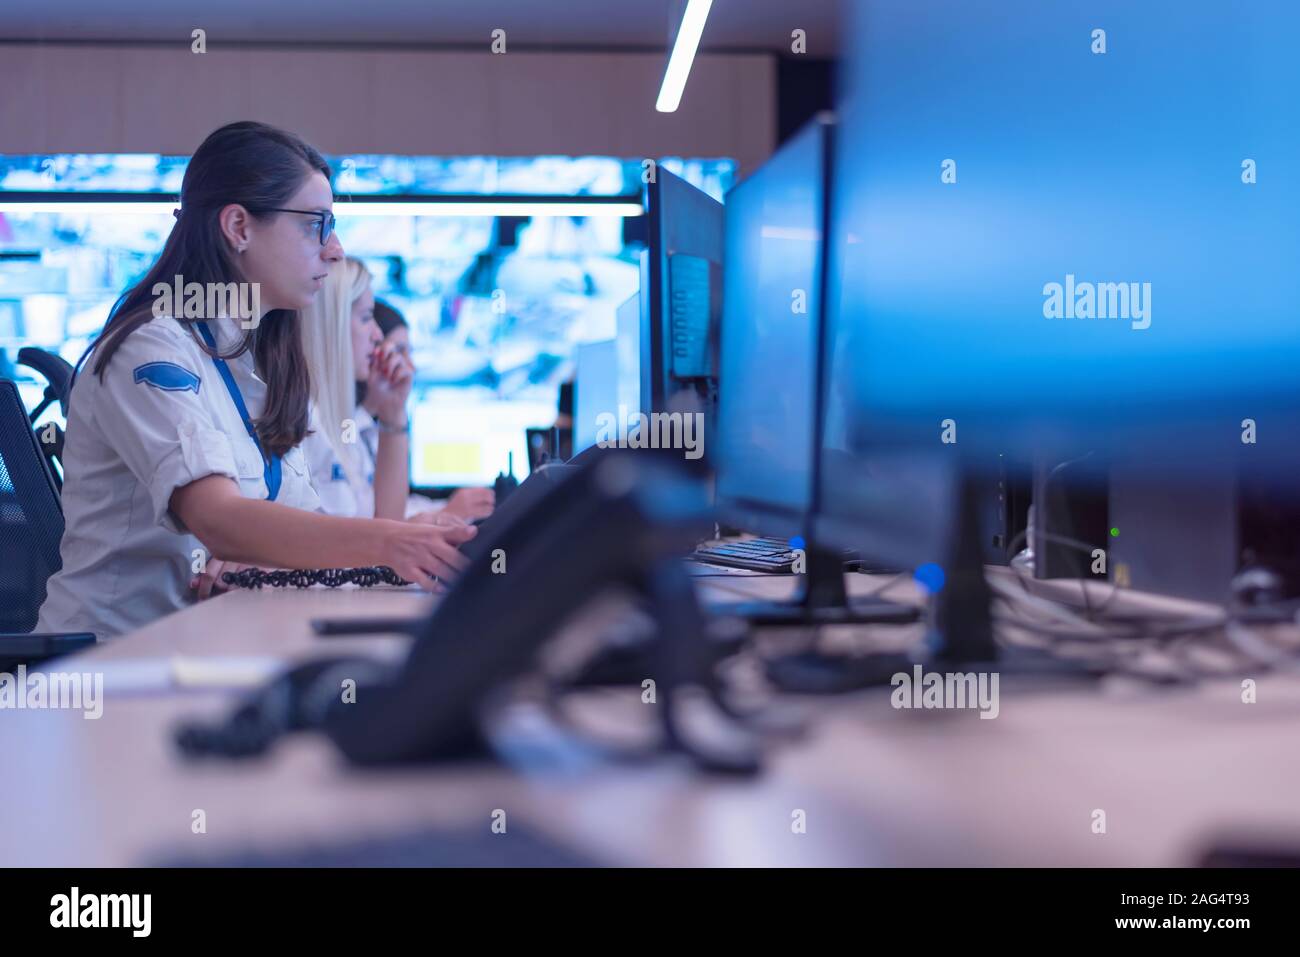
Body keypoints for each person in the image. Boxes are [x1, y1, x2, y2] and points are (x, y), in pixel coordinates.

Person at [35, 121, 474, 639]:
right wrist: (390, 542)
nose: (334, 250)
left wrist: (256, 561)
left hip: (207, 646)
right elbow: (217, 518)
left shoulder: (266, 363)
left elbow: (294, 528)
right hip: (108, 662)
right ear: (239, 227)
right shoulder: (151, 348)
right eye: (317, 224)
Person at [298, 264, 494, 521]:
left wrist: (394, 415)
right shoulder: (306, 424)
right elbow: (378, 538)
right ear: (332, 323)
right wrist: (435, 519)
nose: (377, 335)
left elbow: (385, 522)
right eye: (366, 318)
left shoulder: (341, 425)